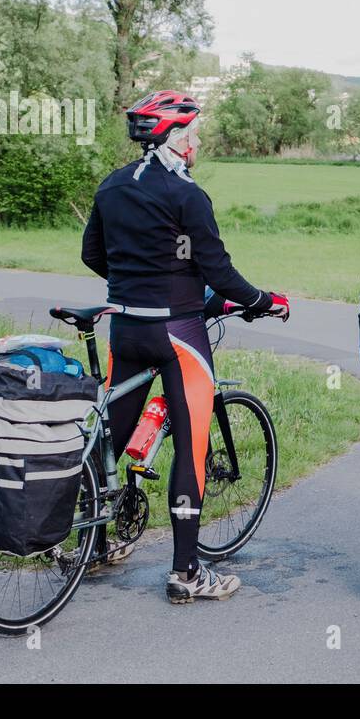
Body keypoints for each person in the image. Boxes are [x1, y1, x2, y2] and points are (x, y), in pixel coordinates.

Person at [81, 90, 289, 603]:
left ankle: (98, 542)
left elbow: (92, 254)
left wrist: (138, 284)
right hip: (179, 334)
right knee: (192, 447)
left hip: (125, 326)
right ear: (173, 139)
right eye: (191, 132)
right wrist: (261, 300)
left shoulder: (112, 186)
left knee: (111, 436)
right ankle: (186, 572)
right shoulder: (187, 195)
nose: (197, 141)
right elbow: (218, 270)